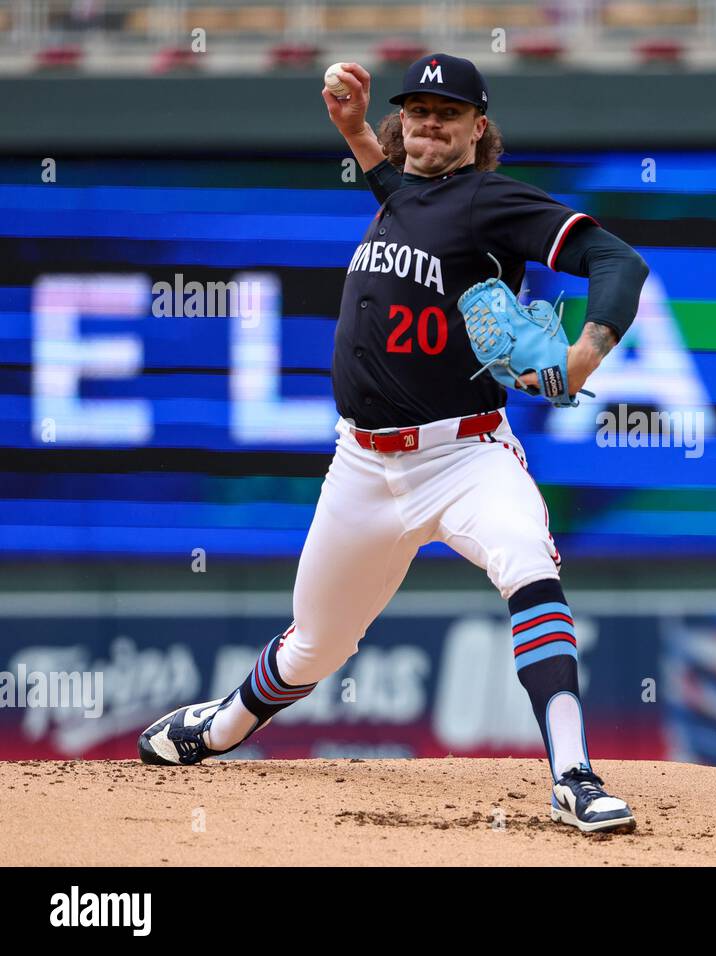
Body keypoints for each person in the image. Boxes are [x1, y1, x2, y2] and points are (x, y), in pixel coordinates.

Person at [137, 53, 650, 834]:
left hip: (466, 455)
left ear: (480, 129)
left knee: (530, 569)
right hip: (363, 465)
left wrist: (585, 352)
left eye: (449, 112)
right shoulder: (407, 195)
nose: (430, 122)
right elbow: (404, 195)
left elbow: (617, 258)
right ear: (401, 121)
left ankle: (573, 775)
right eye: (418, 109)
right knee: (316, 643)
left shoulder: (489, 199)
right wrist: (355, 134)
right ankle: (221, 729)